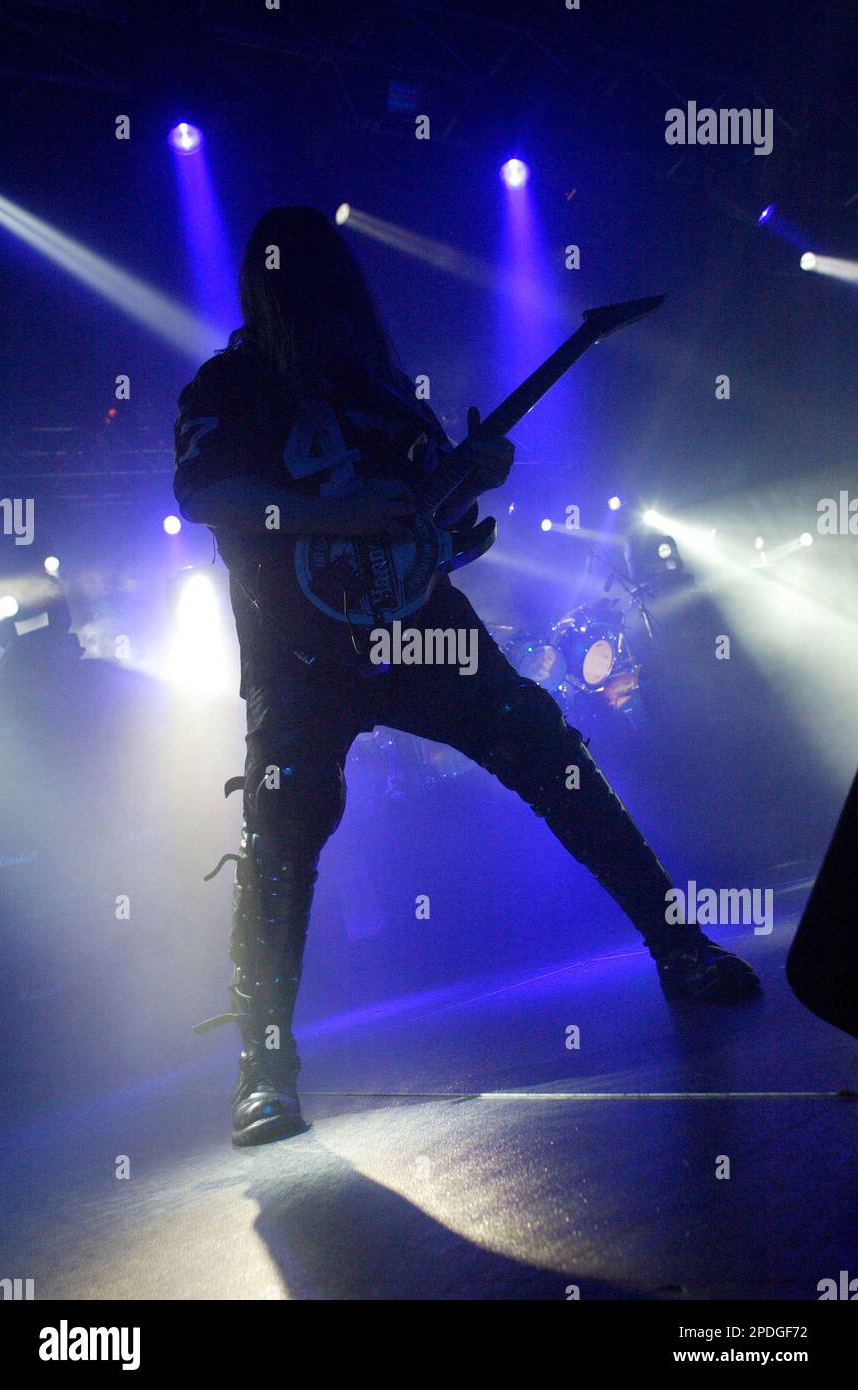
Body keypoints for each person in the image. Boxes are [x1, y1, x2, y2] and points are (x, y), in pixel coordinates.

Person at [173, 206, 760, 1148]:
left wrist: (471, 483)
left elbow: (428, 517)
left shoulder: (384, 391)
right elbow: (207, 494)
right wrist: (331, 514)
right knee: (280, 841)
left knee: (547, 753)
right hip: (298, 650)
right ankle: (264, 1073)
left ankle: (679, 946)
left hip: (417, 629)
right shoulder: (231, 385)